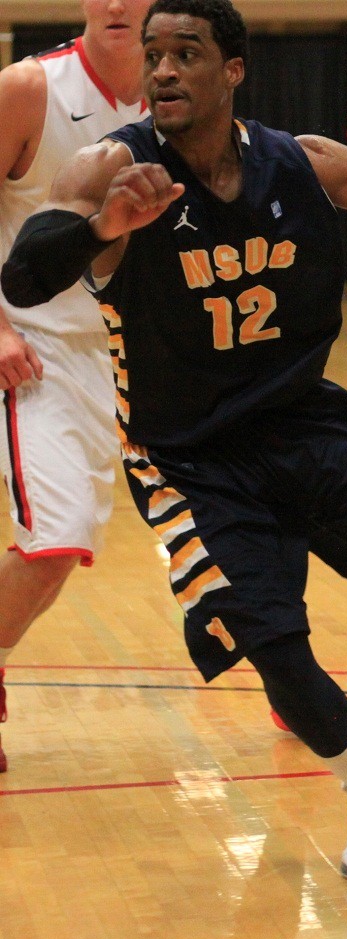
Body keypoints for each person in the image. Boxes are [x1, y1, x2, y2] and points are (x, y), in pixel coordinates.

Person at [1, 0, 347, 879]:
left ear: (234, 70)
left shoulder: (301, 162)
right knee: (272, 643)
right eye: (155, 55)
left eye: (186, 53)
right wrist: (101, 231)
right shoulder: (112, 168)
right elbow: (24, 273)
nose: (162, 70)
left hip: (305, 417)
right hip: (189, 456)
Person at [0, 0, 151, 775]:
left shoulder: (185, 89)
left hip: (152, 356)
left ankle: (293, 682)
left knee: (239, 523)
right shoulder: (29, 89)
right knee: (55, 542)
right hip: (41, 349)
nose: (116, 4)